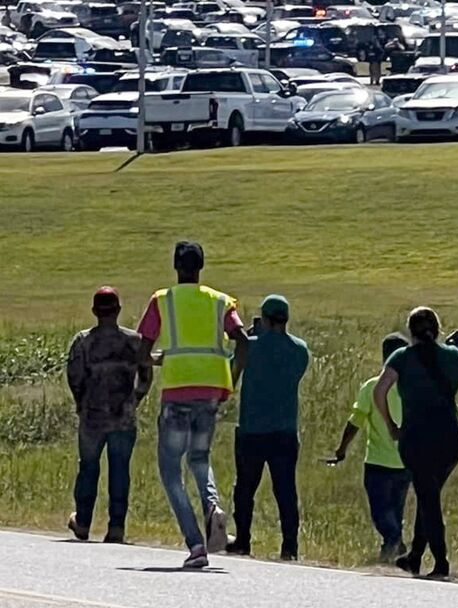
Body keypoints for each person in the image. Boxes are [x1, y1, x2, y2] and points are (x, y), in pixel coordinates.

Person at [138, 241, 249, 569]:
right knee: (200, 458)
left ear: (176, 266)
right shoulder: (220, 302)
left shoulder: (163, 301)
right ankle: (212, 506)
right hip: (212, 390)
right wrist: (231, 377)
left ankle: (196, 543)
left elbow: (142, 350)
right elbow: (243, 341)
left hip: (177, 392)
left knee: (171, 471)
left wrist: (161, 360)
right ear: (201, 267)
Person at [374, 307, 458, 580]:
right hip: (450, 438)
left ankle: (440, 562)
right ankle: (414, 557)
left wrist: (391, 425)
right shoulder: (452, 355)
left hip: (416, 438)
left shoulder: (401, 357)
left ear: (410, 332)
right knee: (429, 494)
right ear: (437, 330)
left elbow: (380, 391)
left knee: (428, 497)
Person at [66, 287, 153, 543]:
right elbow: (146, 377)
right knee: (120, 470)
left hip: (92, 417)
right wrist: (134, 399)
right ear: (118, 310)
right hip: (123, 417)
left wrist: (81, 401)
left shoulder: (83, 341)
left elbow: (74, 377)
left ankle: (83, 521)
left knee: (88, 468)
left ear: (94, 311)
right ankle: (116, 527)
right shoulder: (134, 341)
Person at [226, 295, 309, 561]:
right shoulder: (300, 349)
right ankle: (290, 547)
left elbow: (231, 376)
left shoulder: (250, 347)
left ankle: (242, 541)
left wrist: (251, 339)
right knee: (285, 490)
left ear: (265, 318)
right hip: (284, 429)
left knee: (245, 489)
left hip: (252, 428)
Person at [329, 333, 411, 563]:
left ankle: (394, 540)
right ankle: (393, 547)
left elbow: (355, 421)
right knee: (396, 509)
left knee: (380, 510)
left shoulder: (372, 387)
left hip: (378, 461)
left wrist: (342, 448)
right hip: (406, 462)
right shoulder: (412, 389)